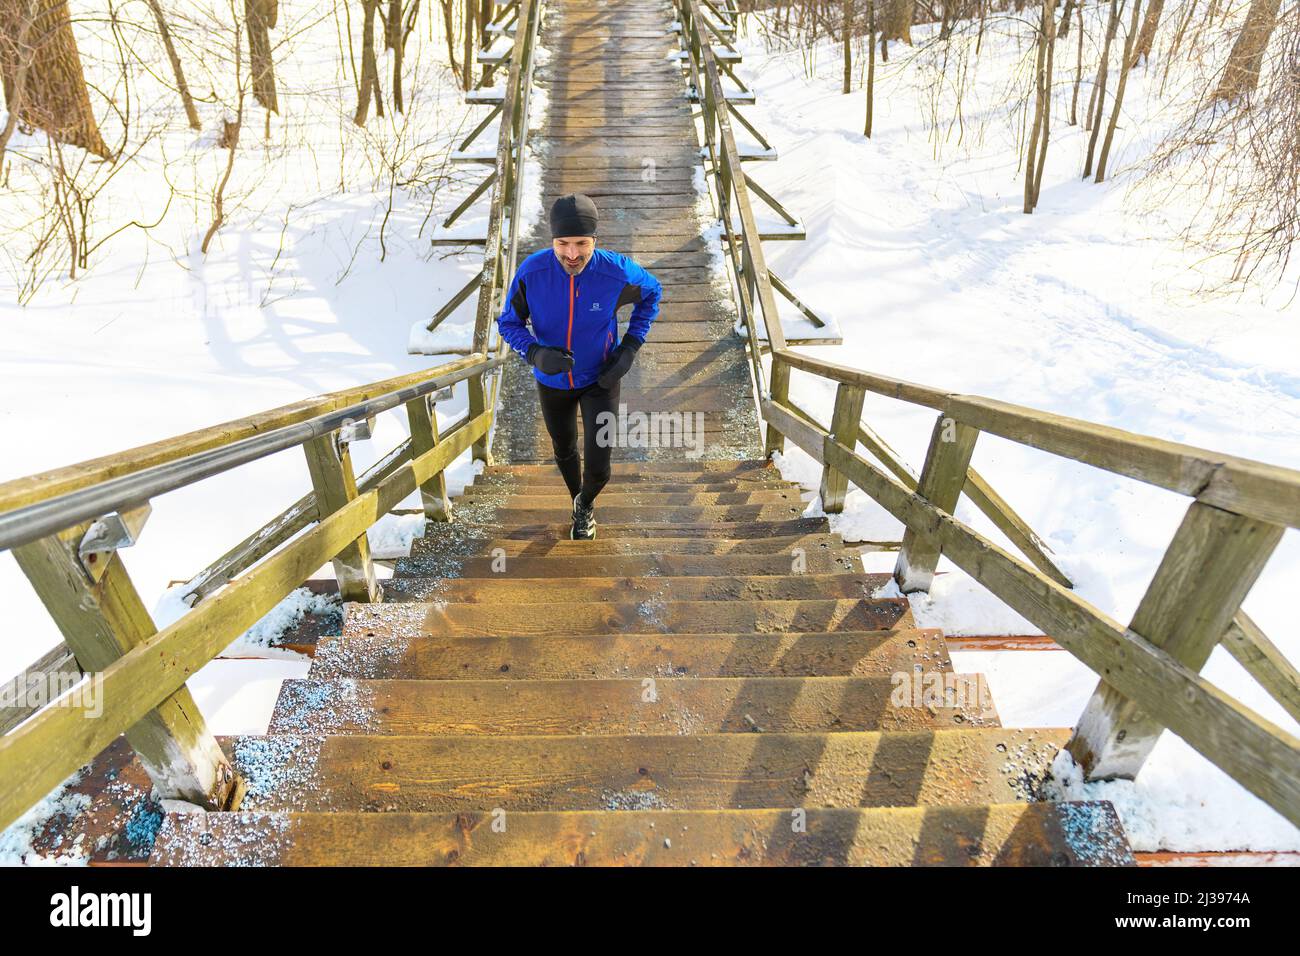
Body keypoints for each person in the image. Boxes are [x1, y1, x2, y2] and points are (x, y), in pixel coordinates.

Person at [496, 193, 663, 540]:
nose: (572, 254)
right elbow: (509, 323)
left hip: (600, 379)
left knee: (600, 468)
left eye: (581, 243)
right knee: (564, 449)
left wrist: (630, 347)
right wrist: (534, 353)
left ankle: (586, 500)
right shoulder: (532, 273)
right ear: (552, 240)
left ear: (594, 240)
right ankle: (579, 505)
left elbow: (653, 293)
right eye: (563, 243)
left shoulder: (615, 272)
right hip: (552, 381)